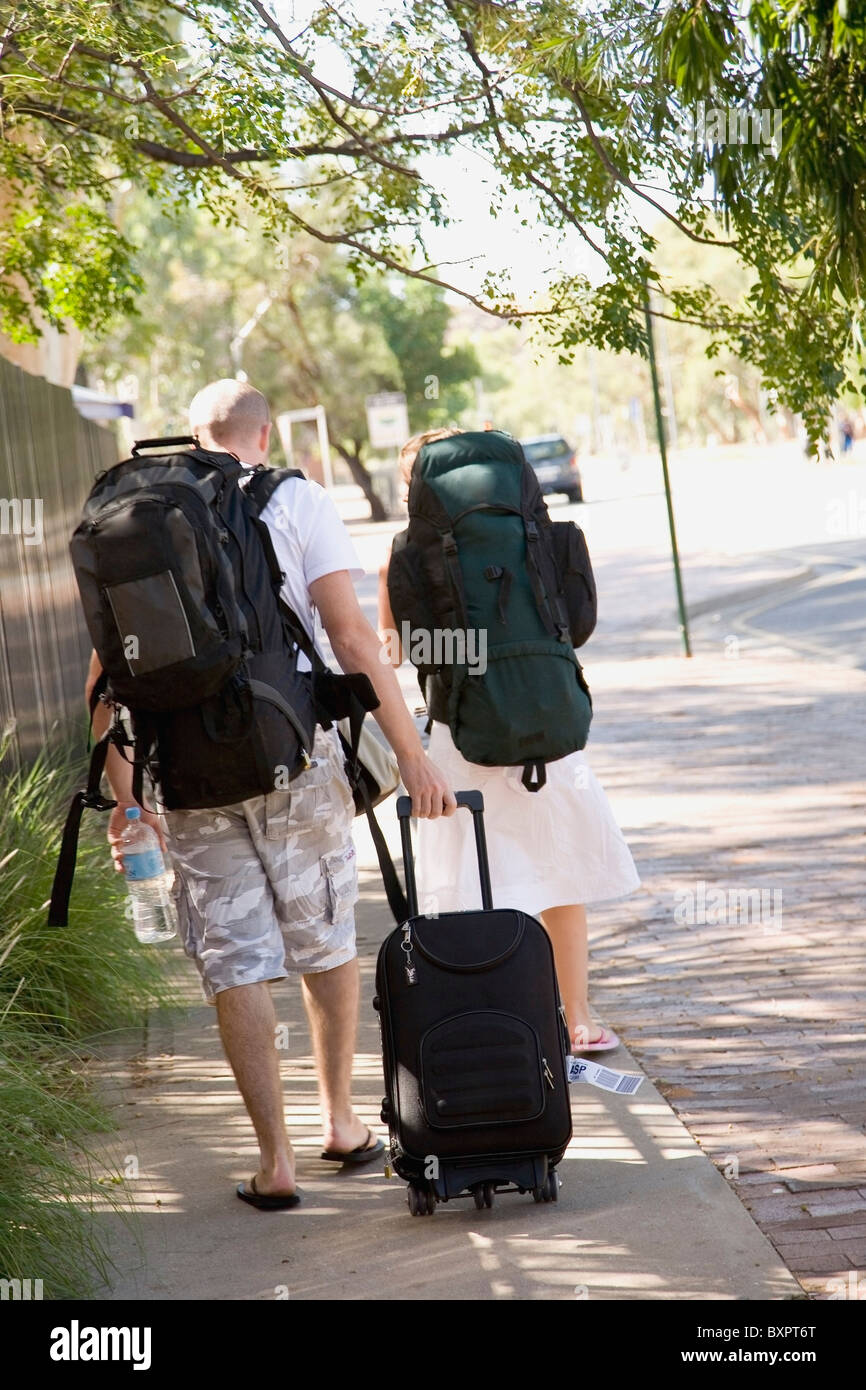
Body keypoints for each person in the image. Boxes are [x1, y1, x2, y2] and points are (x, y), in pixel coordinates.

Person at [86, 381, 456, 1210]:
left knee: (233, 960)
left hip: (183, 775)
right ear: (263, 432)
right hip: (292, 756)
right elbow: (355, 637)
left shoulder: (139, 515)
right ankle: (340, 1123)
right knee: (323, 937)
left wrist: (128, 802)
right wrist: (415, 759)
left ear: (195, 436)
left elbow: (104, 682)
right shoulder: (298, 499)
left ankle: (274, 1161)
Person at [378, 427, 640, 1054]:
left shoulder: (405, 552)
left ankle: (491, 1021)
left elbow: (398, 648)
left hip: (459, 733)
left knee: (463, 880)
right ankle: (577, 1020)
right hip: (548, 729)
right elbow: (577, 625)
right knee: (563, 873)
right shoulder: (537, 534)